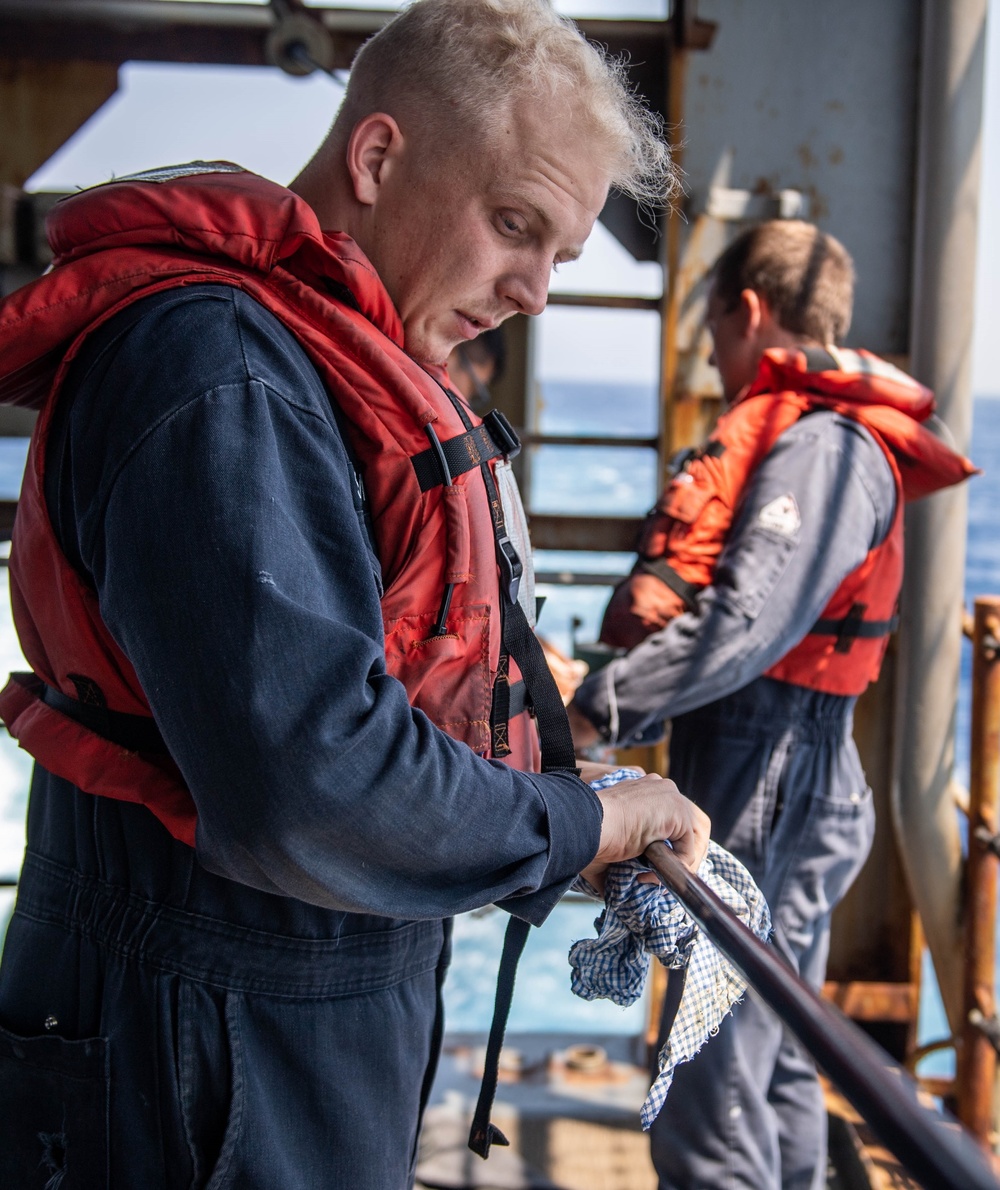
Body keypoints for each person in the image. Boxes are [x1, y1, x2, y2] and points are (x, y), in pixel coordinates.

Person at [0, 2, 710, 1188]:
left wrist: (550, 797)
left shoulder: (312, 363)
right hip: (199, 1029)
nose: (533, 290)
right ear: (378, 158)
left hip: (287, 1010)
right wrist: (584, 824)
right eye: (513, 224)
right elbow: (310, 779)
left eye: (560, 255)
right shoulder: (217, 372)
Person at [568, 220, 976, 1190]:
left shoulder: (823, 448)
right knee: (778, 1050)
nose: (709, 355)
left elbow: (740, 624)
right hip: (772, 766)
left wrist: (599, 706)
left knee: (711, 1086)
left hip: (775, 775)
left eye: (710, 328)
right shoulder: (817, 435)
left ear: (747, 309)